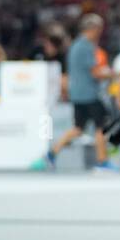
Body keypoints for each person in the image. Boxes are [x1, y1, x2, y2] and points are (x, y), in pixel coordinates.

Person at [48, 13, 114, 169]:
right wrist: (115, 74)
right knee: (102, 126)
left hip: (77, 93)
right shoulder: (86, 46)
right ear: (93, 28)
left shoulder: (75, 45)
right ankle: (102, 161)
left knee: (78, 128)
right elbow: (95, 73)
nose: (101, 32)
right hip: (89, 94)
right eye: (99, 29)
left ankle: (53, 152)